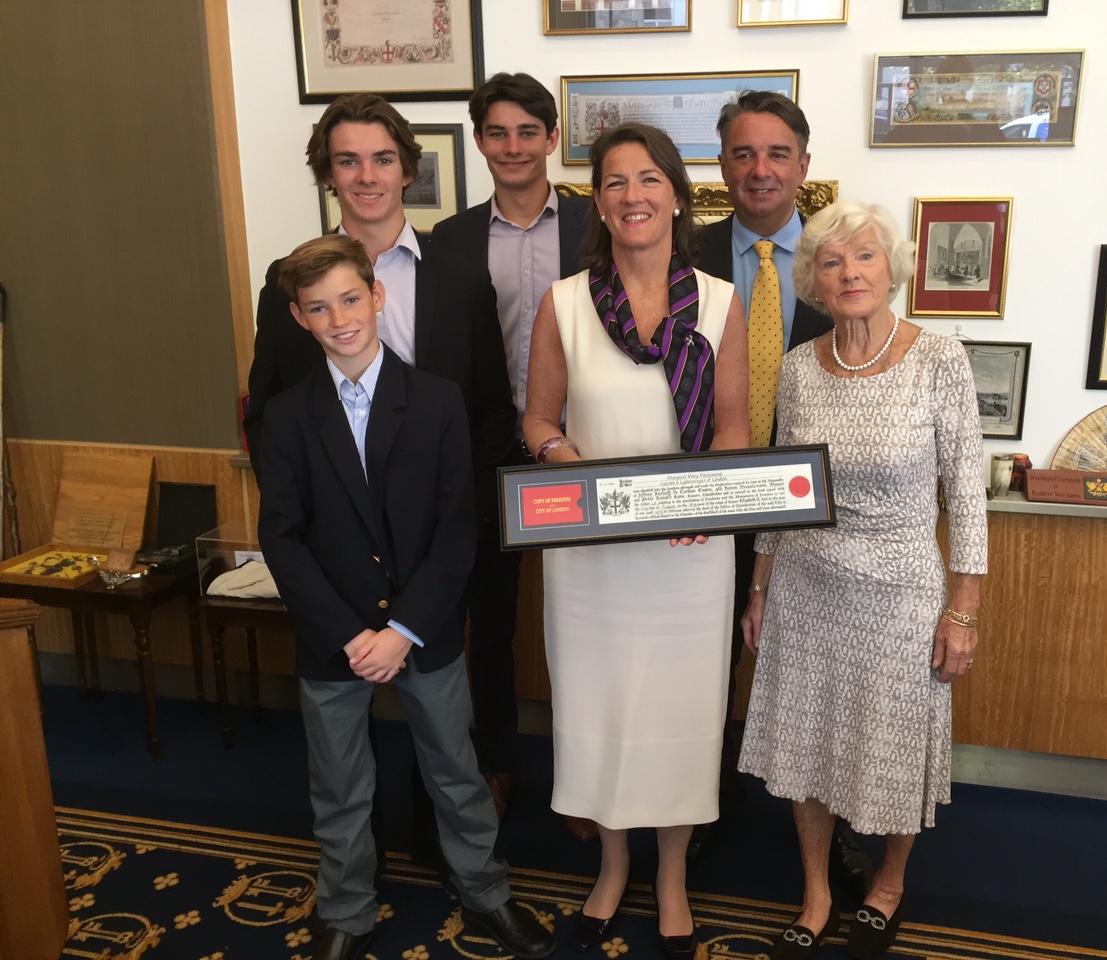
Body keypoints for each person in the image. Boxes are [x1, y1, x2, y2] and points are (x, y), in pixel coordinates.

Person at [256, 235, 554, 960]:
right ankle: (347, 908)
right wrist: (350, 634)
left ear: (378, 296)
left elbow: (456, 532)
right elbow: (283, 538)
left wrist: (404, 630)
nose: (340, 319)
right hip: (336, 636)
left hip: (424, 629)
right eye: (319, 308)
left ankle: (485, 890)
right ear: (299, 318)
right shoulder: (290, 416)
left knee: (455, 770)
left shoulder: (436, 401)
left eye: (351, 299)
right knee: (339, 784)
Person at [242, 93, 516, 864]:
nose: (366, 176)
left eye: (383, 158)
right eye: (347, 160)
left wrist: (460, 547)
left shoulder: (461, 280)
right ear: (327, 174)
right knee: (340, 756)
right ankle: (352, 887)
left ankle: (461, 864)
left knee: (448, 737)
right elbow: (268, 415)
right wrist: (300, 530)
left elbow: (491, 414)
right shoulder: (288, 283)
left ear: (408, 168)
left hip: (439, 556)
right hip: (333, 561)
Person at [522, 123, 749, 958]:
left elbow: (733, 429)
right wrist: (570, 466)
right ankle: (613, 866)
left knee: (682, 715)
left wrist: (699, 499)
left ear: (678, 195)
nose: (633, 195)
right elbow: (538, 420)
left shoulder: (721, 301)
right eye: (614, 182)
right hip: (590, 556)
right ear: (600, 203)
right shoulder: (565, 302)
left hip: (688, 554)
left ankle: (675, 876)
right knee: (600, 708)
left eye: (649, 178)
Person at [738, 201, 987, 960]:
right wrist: (759, 587)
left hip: (902, 594)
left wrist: (964, 609)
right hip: (807, 592)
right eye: (833, 260)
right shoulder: (796, 368)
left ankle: (888, 881)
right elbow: (786, 489)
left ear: (893, 268)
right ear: (813, 277)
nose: (850, 272)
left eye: (865, 257)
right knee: (807, 746)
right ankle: (815, 892)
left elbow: (967, 493)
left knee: (895, 743)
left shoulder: (940, 358)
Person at [692, 90, 855, 869]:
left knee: (825, 671)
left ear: (803, 165)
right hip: (705, 501)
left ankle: (843, 828)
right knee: (700, 663)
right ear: (721, 163)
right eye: (743, 153)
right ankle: (694, 806)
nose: (760, 170)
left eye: (777, 153)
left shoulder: (841, 263)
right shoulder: (679, 254)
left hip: (815, 515)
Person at [432, 72, 592, 833]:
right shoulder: (451, 240)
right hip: (488, 462)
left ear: (553, 138)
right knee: (490, 630)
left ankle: (590, 781)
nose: (514, 147)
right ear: (479, 142)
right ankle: (495, 766)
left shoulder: (597, 223)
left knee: (590, 620)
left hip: (580, 453)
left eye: (529, 132)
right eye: (497, 133)